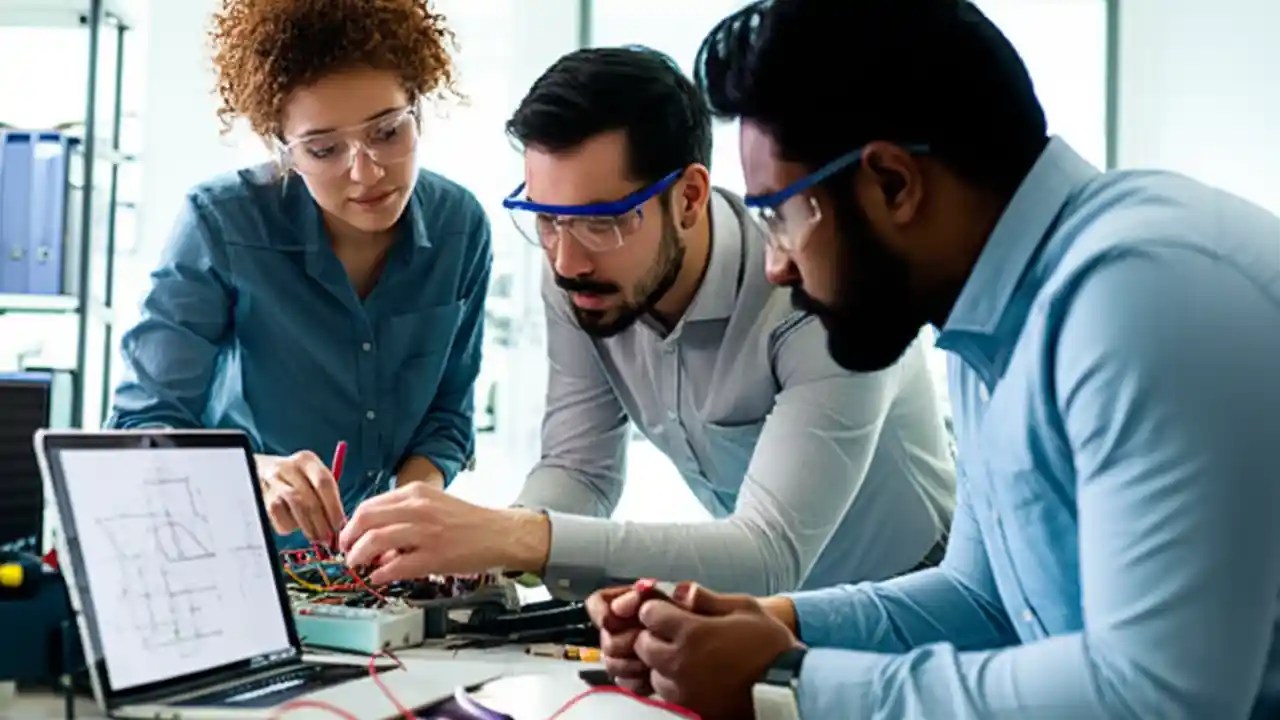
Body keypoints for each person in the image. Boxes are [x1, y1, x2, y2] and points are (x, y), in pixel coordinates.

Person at [587, 1, 1280, 719]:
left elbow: (1159, 696)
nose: (775, 267)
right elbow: (985, 601)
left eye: (780, 215)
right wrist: (772, 625)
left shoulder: (1138, 297)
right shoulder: (997, 317)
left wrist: (787, 682)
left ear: (892, 183)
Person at [337, 45, 955, 596]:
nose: (566, 258)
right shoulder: (579, 278)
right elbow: (580, 470)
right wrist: (483, 557)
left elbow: (768, 553)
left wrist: (514, 535)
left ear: (688, 197)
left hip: (919, 602)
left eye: (600, 222)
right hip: (770, 612)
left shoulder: (811, 296)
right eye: (547, 218)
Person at [108, 0, 491, 550]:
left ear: (419, 108)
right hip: (235, 554)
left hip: (382, 571)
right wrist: (252, 471)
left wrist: (409, 509)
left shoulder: (461, 227)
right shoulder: (221, 222)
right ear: (281, 147)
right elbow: (142, 427)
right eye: (324, 149)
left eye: (387, 132)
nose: (366, 173)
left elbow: (447, 415)